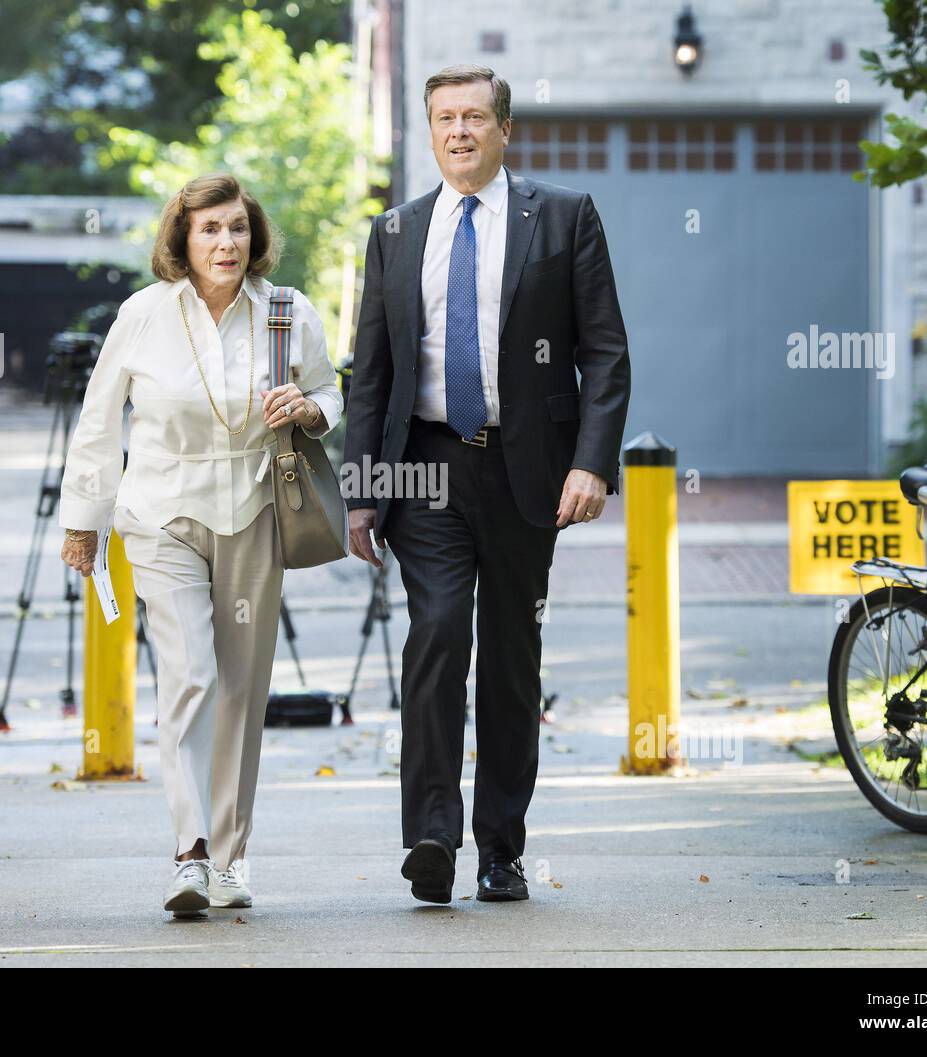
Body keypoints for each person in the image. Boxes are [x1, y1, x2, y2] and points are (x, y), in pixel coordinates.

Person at [343, 64, 631, 904]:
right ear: (429, 132)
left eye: (474, 116)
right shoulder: (396, 232)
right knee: (436, 632)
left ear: (505, 129)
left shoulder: (564, 219)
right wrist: (363, 490)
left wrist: (590, 461)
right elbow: (372, 371)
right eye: (444, 118)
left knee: (511, 655)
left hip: (525, 469)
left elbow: (604, 351)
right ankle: (431, 834)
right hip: (426, 465)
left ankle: (500, 848)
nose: (459, 130)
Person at [58, 172, 343, 916]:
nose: (226, 242)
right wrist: (83, 520)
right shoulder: (145, 315)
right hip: (159, 511)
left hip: (253, 507)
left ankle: (232, 857)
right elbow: (98, 419)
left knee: (242, 687)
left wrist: (310, 407)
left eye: (238, 228)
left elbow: (331, 390)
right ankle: (190, 853)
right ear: (182, 238)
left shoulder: (286, 311)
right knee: (191, 675)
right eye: (210, 229)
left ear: (256, 237)